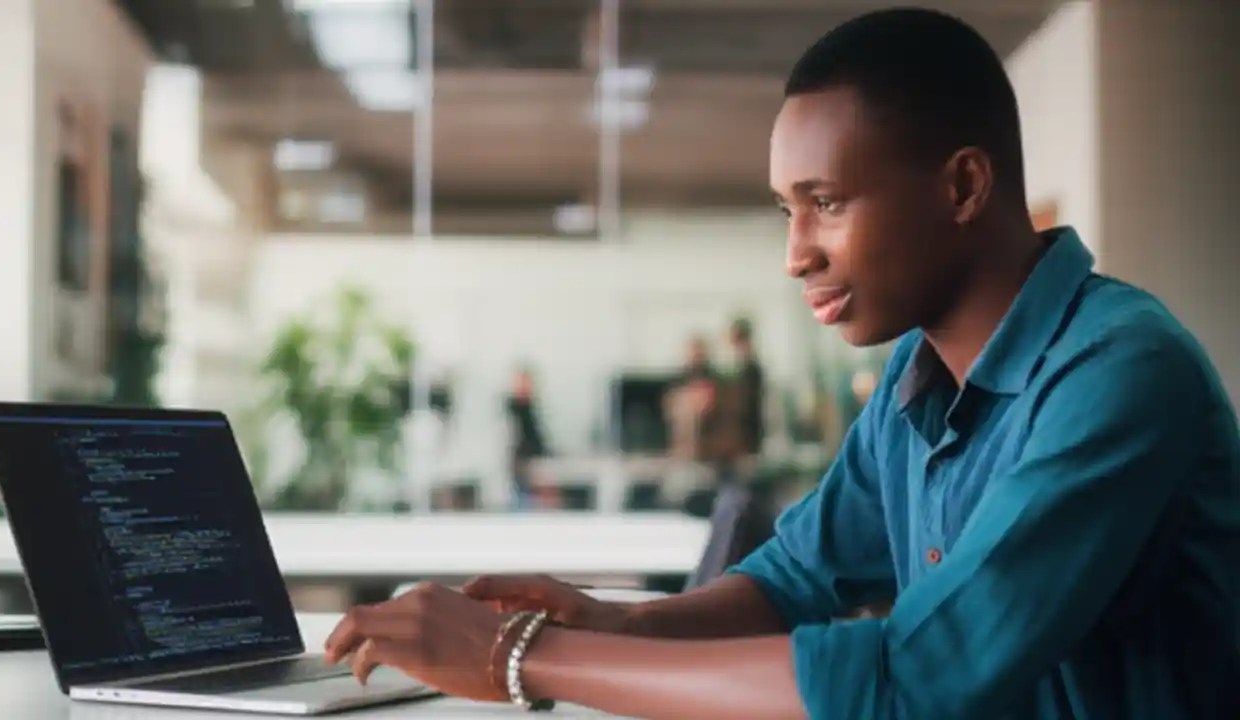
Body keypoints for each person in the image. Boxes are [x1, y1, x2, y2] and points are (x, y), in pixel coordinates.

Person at [322, 8, 1240, 719]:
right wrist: (616, 621)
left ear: (962, 187)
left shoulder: (1120, 372)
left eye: (827, 202)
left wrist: (519, 656)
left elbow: (917, 681)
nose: (796, 253)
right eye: (785, 211)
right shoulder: (916, 381)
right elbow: (793, 580)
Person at [505, 366, 550, 510]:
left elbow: (536, 438)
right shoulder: (512, 410)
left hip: (531, 465)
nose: (526, 386)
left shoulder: (529, 409)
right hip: (519, 467)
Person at [727, 317, 765, 456]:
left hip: (748, 435)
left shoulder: (751, 368)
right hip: (743, 435)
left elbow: (749, 405)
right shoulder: (741, 365)